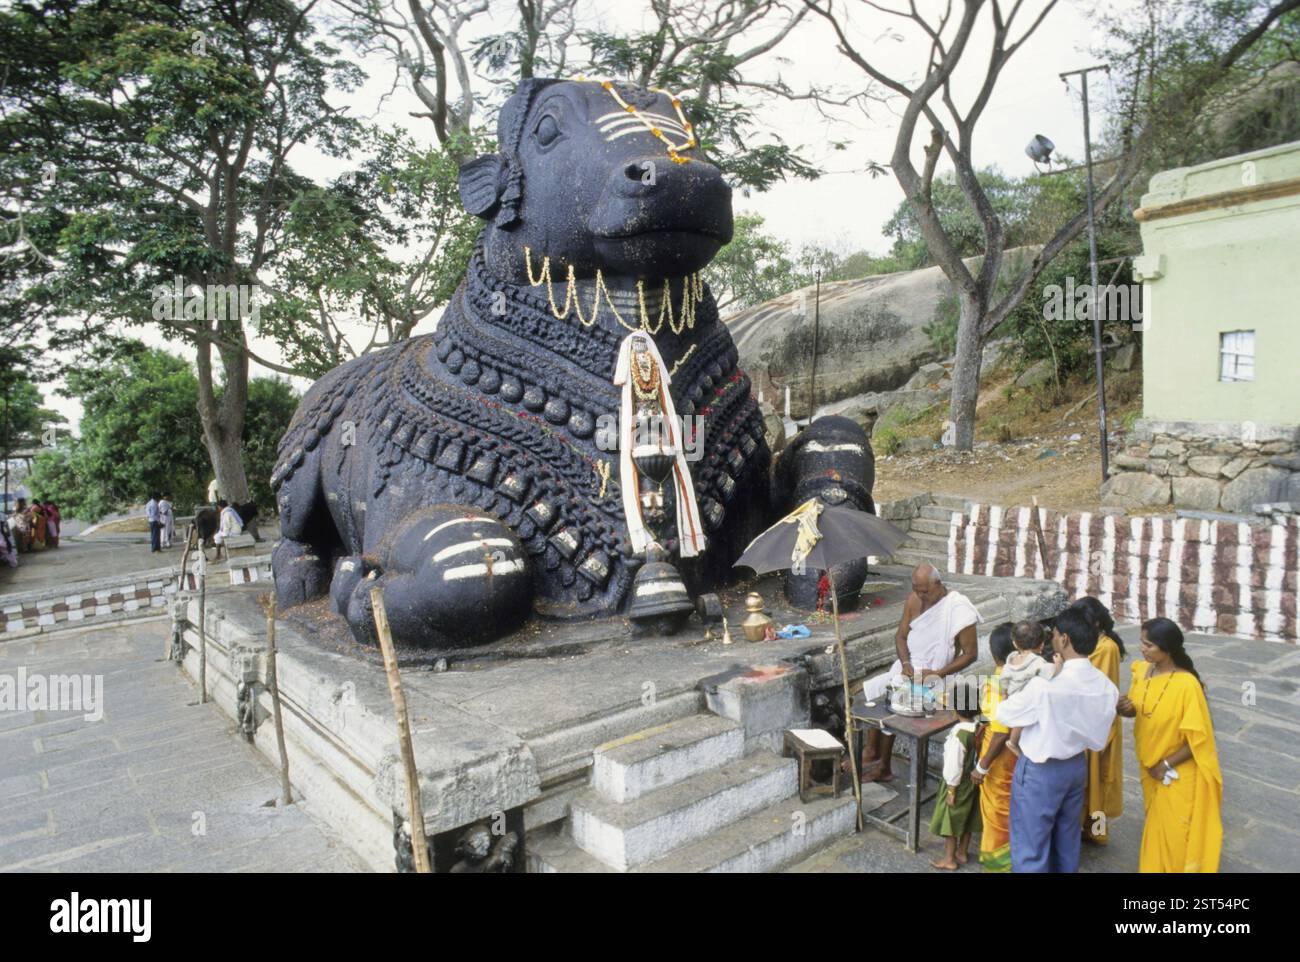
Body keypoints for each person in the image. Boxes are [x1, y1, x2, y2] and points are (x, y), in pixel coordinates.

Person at [995, 607, 1117, 873]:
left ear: (1065, 640)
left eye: (1056, 635)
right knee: (1067, 840)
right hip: (1075, 767)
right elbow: (1098, 739)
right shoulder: (1106, 686)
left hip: (1041, 771)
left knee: (1030, 846)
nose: (1052, 640)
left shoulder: (1044, 686)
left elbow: (1004, 713)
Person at [1116, 617, 1222, 873]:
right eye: (1142, 642)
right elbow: (1140, 711)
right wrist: (1125, 709)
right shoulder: (1142, 671)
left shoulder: (1187, 685)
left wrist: (1164, 765)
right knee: (1158, 829)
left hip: (1175, 772)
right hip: (1148, 766)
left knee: (1175, 838)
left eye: (1149, 645)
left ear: (1168, 649)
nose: (1143, 649)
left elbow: (1199, 741)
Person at [860, 563, 981, 782]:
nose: (920, 595)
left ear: (938, 584)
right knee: (878, 689)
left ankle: (883, 765)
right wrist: (905, 663)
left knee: (897, 702)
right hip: (909, 668)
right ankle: (871, 752)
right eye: (916, 590)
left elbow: (971, 654)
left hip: (940, 677)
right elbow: (900, 637)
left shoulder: (959, 608)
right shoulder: (914, 600)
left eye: (925, 591)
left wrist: (938, 672)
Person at [1069, 596, 1125, 845]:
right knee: (1087, 782)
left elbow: (1096, 685)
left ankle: (1097, 830)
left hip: (1099, 721)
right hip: (1086, 719)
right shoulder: (1094, 643)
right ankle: (1086, 827)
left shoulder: (1106, 647)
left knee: (1099, 783)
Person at [972, 622, 1016, 872]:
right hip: (1016, 753)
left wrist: (982, 766)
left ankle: (997, 863)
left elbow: (1000, 733)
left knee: (998, 809)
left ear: (993, 653)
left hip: (999, 757)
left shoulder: (997, 683)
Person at [929, 682, 983, 870]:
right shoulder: (978, 728)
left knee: (951, 821)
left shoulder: (958, 735)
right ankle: (962, 851)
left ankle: (949, 859)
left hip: (957, 784)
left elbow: (954, 766)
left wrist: (951, 789)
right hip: (972, 781)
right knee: (967, 818)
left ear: (955, 708)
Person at [1000, 620, 1059, 758]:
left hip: (1013, 696)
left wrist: (1004, 694)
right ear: (1042, 644)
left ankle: (1015, 742)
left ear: (1014, 643)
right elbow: (1052, 673)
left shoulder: (1011, 660)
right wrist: (1059, 664)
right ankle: (1012, 743)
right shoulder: (1037, 662)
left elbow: (1003, 679)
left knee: (1019, 723)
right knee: (1023, 720)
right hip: (1027, 700)